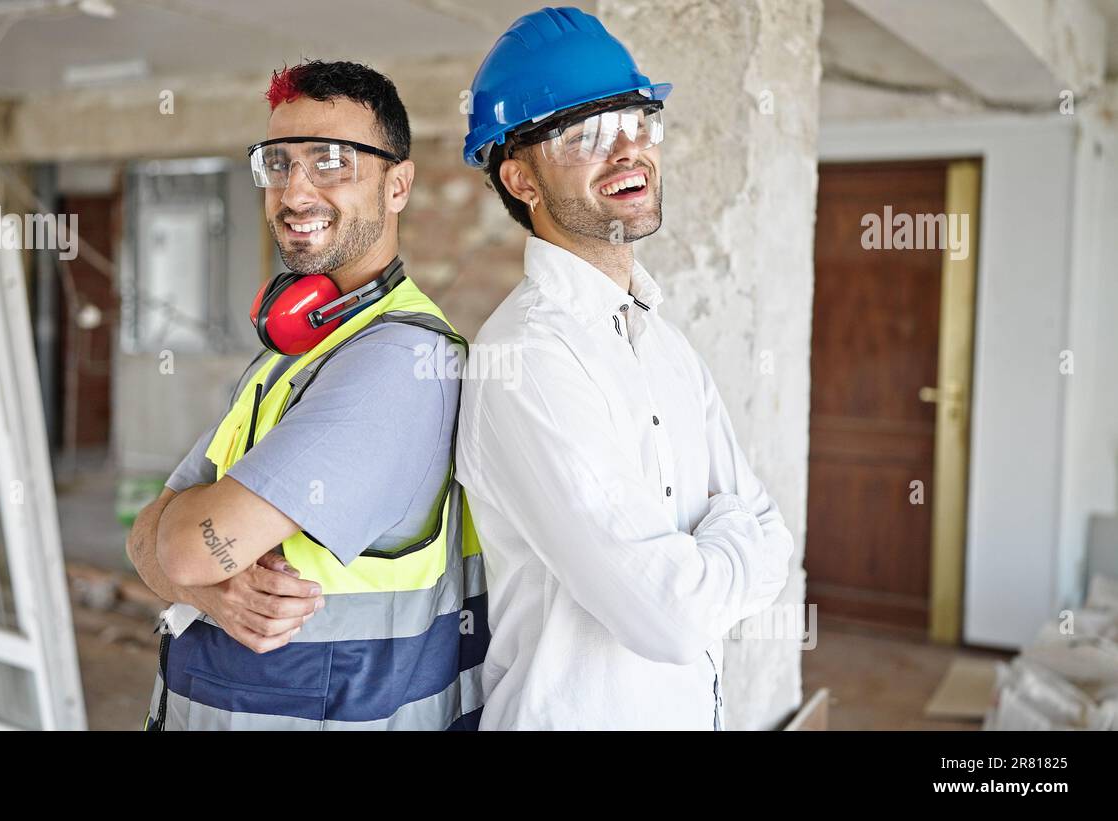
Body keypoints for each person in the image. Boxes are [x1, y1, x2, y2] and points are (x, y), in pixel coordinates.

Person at [457, 6, 793, 730]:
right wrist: (727, 531)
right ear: (520, 179)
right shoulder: (527, 359)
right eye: (586, 134)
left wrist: (713, 553)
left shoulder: (668, 347)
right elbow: (670, 616)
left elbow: (778, 540)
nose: (629, 150)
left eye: (639, 121)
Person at [127, 60, 486, 730]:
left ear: (398, 184)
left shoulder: (398, 362)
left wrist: (188, 566)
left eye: (331, 162)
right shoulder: (291, 354)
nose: (294, 192)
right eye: (278, 163)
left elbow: (178, 547)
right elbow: (145, 536)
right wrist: (212, 593)